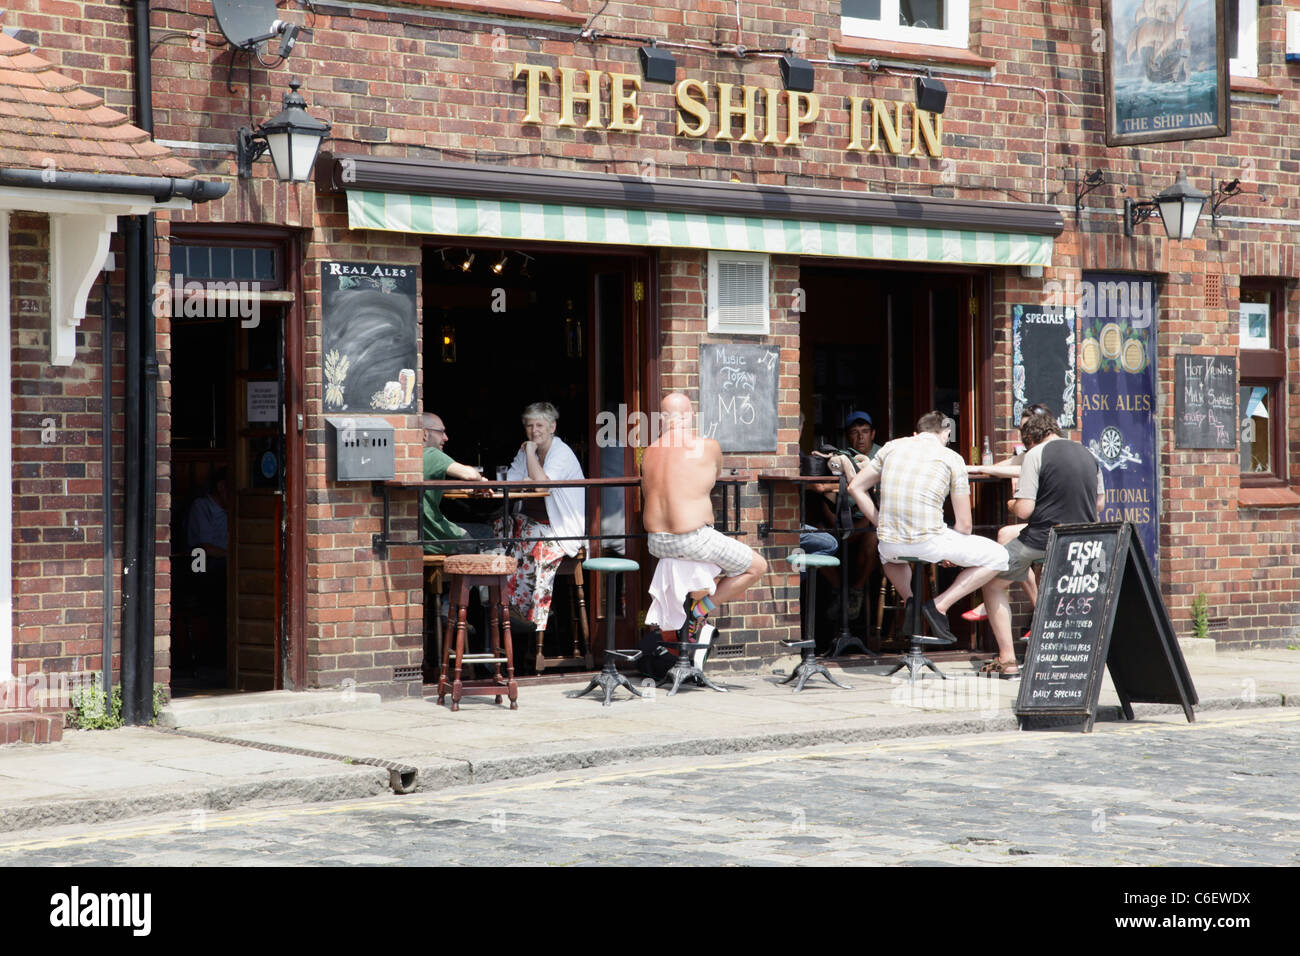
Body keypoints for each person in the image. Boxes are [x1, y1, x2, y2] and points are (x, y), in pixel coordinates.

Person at [847, 411, 1009, 642]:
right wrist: (952, 554)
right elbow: (964, 524)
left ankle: (911, 601)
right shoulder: (951, 457)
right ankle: (939, 606)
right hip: (929, 541)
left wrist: (881, 523)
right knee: (999, 556)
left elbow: (855, 487)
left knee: (889, 556)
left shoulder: (891, 447)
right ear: (945, 433)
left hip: (890, 543)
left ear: (916, 434)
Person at [978, 412, 1106, 677]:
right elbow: (1099, 504)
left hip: (1042, 540)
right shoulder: (1089, 455)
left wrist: (1011, 503)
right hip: (1082, 541)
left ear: (1031, 438)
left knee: (992, 584)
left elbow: (1024, 510)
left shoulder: (1036, 455)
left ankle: (1008, 659)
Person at [641, 392, 767, 635]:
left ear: (662, 420)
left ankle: (690, 615)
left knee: (707, 559)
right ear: (690, 416)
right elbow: (714, 476)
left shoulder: (648, 452)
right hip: (692, 539)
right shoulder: (708, 447)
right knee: (757, 566)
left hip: (656, 543)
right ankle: (700, 611)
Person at [496, 402, 585, 631]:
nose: (534, 431)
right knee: (499, 528)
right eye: (529, 426)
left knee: (526, 535)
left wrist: (529, 453)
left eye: (539, 425)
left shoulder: (561, 453)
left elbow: (541, 483)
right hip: (530, 523)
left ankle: (526, 612)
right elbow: (511, 480)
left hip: (559, 529)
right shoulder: (526, 451)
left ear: (552, 427)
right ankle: (501, 599)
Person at [962, 402, 1054, 620]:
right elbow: (1009, 464)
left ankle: (1034, 613)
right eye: (1022, 430)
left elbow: (1020, 470)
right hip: (1041, 525)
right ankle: (1040, 614)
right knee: (1015, 543)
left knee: (1007, 536)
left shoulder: (1047, 452)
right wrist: (975, 468)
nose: (1025, 435)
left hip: (1058, 525)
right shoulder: (1031, 452)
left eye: (1028, 429)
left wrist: (980, 469)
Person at [815, 409, 881, 620]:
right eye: (854, 432)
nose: (860, 437)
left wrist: (862, 524)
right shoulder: (840, 456)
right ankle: (838, 591)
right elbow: (822, 491)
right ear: (847, 435)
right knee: (812, 537)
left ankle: (856, 592)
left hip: (871, 521)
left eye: (864, 431)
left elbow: (885, 502)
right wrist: (832, 518)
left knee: (873, 537)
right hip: (842, 521)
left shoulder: (883, 456)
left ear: (873, 433)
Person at [422, 412, 491, 555]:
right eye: (441, 432)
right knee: (486, 533)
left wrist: (464, 488)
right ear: (424, 434)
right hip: (434, 536)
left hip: (414, 534)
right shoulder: (430, 454)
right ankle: (481, 577)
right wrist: (481, 480)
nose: (446, 438)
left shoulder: (406, 456)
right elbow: (470, 475)